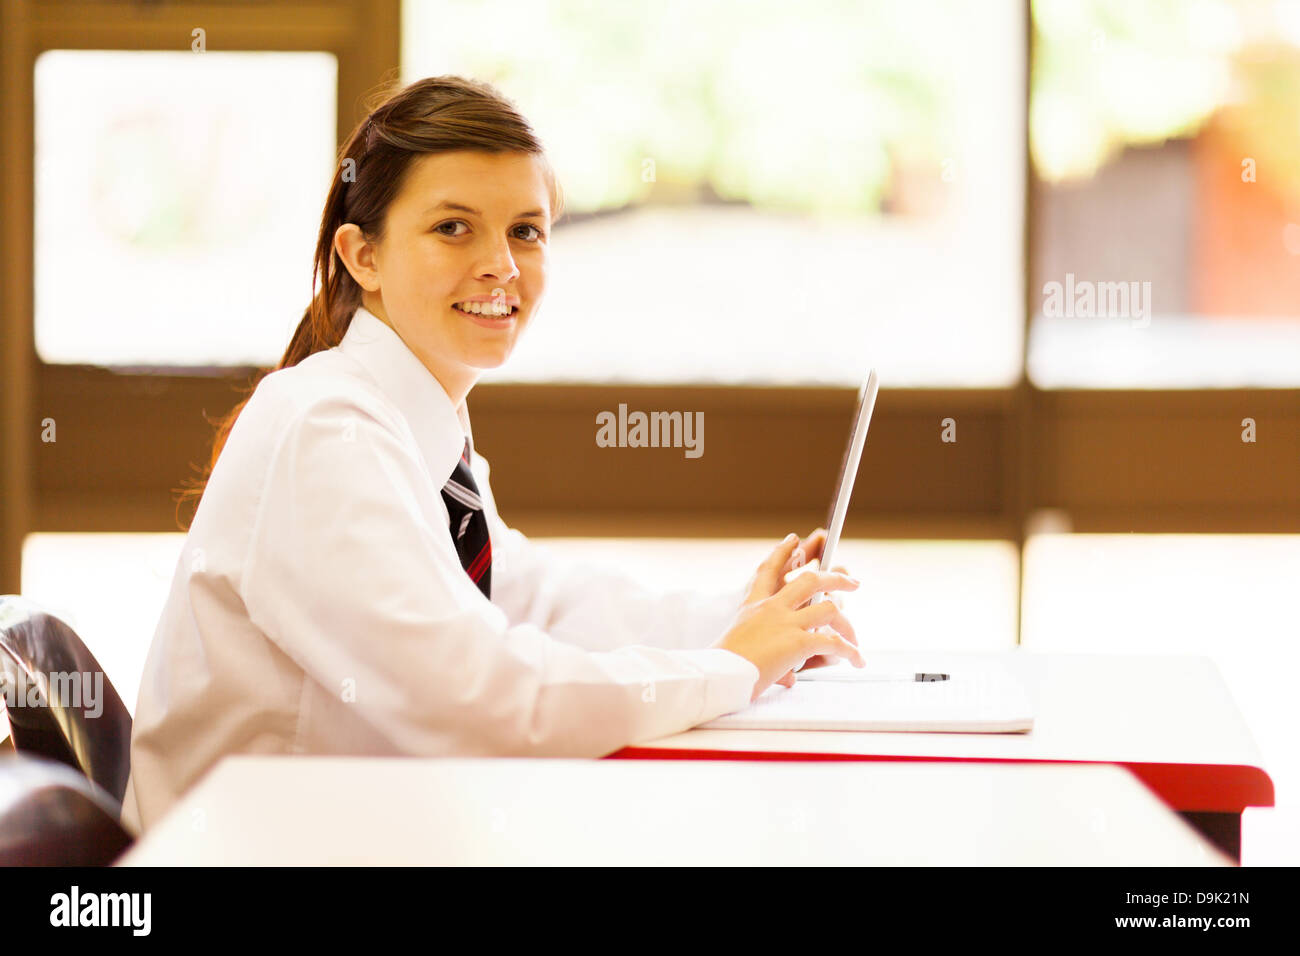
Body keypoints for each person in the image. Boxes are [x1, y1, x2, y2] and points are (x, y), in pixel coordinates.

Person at [120, 75, 862, 835]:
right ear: (362, 256)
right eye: (453, 227)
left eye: (526, 231)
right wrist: (732, 667)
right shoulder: (326, 432)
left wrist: (734, 619)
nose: (501, 265)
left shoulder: (416, 429)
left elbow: (528, 598)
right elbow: (476, 700)